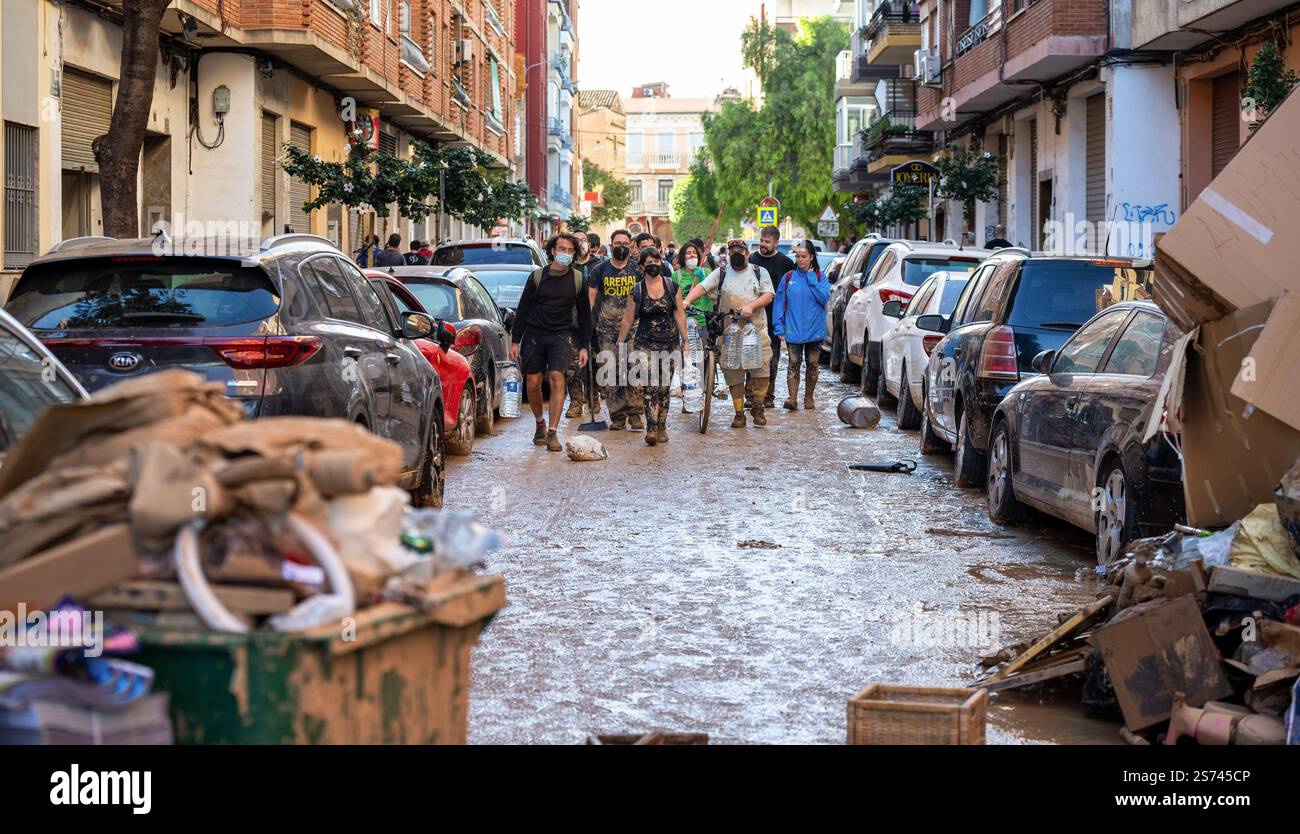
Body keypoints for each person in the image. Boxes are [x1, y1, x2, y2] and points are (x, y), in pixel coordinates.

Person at [509, 233, 592, 452]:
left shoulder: (578, 279)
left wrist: (584, 345)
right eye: (561, 249)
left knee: (557, 377)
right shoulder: (537, 277)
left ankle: (553, 432)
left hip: (560, 335)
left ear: (575, 254)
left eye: (570, 250)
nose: (565, 253)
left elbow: (585, 315)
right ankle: (540, 424)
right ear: (553, 251)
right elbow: (523, 309)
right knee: (534, 382)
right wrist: (515, 340)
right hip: (534, 335)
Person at [684, 239, 775, 428]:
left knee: (761, 370)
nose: (736, 254)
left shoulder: (759, 272)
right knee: (733, 374)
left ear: (747, 253)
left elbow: (768, 295)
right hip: (729, 331)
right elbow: (702, 287)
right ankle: (739, 412)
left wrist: (751, 306)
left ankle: (758, 406)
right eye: (733, 251)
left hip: (756, 331)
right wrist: (687, 301)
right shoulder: (722, 273)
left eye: (740, 251)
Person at [617, 247, 689, 446]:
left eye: (656, 262)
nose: (653, 265)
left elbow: (679, 314)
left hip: (670, 343)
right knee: (650, 386)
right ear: (641, 266)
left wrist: (686, 341)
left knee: (664, 388)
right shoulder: (637, 290)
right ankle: (651, 428)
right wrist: (620, 341)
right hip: (645, 344)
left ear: (661, 263)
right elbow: (628, 318)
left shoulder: (672, 287)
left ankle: (662, 427)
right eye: (648, 262)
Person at [587, 229, 645, 431]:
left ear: (631, 246)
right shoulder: (599, 270)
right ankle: (617, 416)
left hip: (634, 330)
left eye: (625, 243)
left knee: (634, 371)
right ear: (611, 245)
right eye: (617, 242)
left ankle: (636, 414)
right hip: (606, 331)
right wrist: (587, 324)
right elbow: (591, 298)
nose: (621, 246)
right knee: (610, 374)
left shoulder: (638, 270)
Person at [772, 241, 830, 411]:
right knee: (793, 363)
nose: (800, 260)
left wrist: (812, 279)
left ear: (812, 257)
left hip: (814, 331)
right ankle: (792, 398)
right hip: (793, 330)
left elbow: (823, 299)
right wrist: (779, 327)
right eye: (797, 256)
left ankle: (809, 397)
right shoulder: (789, 277)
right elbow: (779, 303)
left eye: (804, 257)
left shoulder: (820, 277)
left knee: (812, 364)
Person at [748, 226, 795, 409]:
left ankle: (768, 395)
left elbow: (789, 293)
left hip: (774, 318)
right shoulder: (751, 259)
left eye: (767, 242)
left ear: (776, 243)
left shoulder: (785, 263)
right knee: (750, 355)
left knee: (771, 358)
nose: (763, 244)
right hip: (753, 316)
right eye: (761, 240)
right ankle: (751, 395)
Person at [564, 229, 603, 419]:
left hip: (596, 323)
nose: (580, 243)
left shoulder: (600, 266)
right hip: (572, 324)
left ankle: (592, 394)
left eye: (583, 240)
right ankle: (575, 402)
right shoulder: (567, 267)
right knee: (572, 366)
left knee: (596, 363)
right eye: (576, 240)